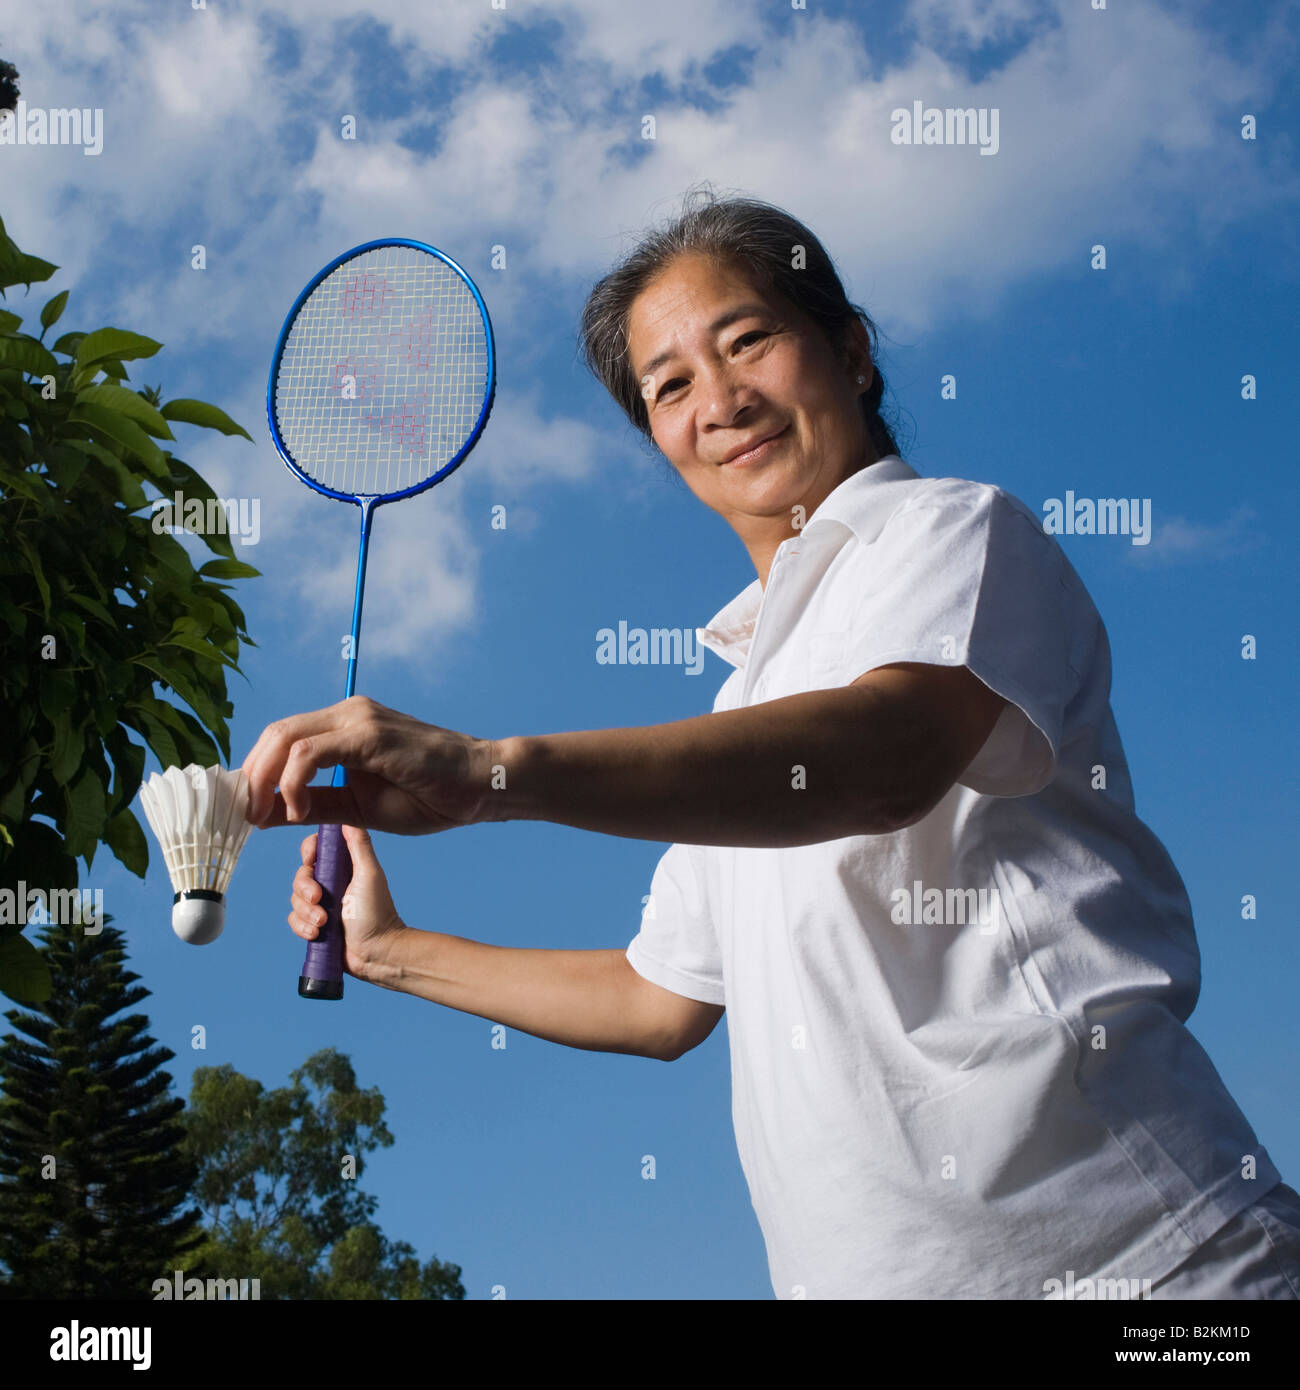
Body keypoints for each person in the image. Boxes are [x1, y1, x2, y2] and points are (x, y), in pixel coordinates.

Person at [241, 190, 1300, 1301]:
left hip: (1155, 1268)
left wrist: (490, 772)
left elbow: (883, 757)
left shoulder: (953, 531)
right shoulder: (743, 699)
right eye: (669, 384)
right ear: (656, 437)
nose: (721, 399)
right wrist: (387, 948)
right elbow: (658, 1002)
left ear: (849, 351)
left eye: (748, 339)